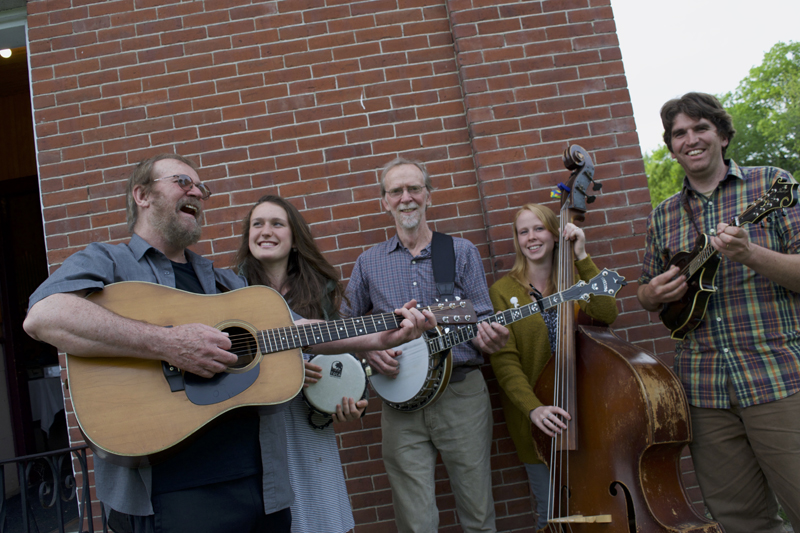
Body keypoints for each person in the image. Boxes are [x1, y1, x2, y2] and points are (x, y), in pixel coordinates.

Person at [22, 154, 436, 533]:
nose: (197, 193)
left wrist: (377, 336)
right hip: (175, 495)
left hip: (263, 489)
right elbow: (44, 316)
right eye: (183, 181)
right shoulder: (109, 263)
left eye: (202, 188)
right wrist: (167, 343)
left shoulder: (224, 282)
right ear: (142, 195)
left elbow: (298, 327)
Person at [637, 92, 800, 533]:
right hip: (705, 392)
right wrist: (653, 293)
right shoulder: (663, 216)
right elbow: (646, 294)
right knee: (740, 521)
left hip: (777, 377)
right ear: (671, 146)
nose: (691, 139)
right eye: (679, 133)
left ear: (722, 135)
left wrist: (751, 254)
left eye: (701, 128)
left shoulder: (772, 185)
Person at [342, 156, 509, 533]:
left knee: (478, 515)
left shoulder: (460, 252)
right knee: (416, 524)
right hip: (400, 404)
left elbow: (481, 316)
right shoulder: (368, 263)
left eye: (414, 188)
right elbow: (345, 324)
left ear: (428, 196)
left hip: (461, 394)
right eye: (396, 191)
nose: (406, 198)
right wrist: (368, 349)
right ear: (384, 201)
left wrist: (491, 337)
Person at [234, 194, 365, 533]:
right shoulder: (230, 288)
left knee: (321, 517)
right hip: (255, 427)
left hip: (308, 426)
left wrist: (342, 401)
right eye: (257, 224)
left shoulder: (318, 289)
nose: (266, 231)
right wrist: (283, 368)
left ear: (294, 239)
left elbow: (336, 361)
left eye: (277, 224)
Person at [488, 203, 618, 528]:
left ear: (555, 234)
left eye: (539, 228)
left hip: (590, 413)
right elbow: (505, 361)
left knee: (601, 511)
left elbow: (607, 312)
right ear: (517, 240)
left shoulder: (574, 280)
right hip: (538, 423)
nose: (531, 237)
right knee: (555, 515)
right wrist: (533, 409)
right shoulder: (502, 292)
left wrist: (582, 256)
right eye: (523, 231)